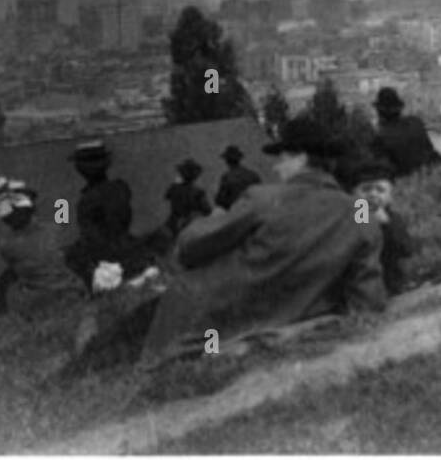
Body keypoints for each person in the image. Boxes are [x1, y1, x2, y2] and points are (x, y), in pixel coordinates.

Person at [144, 116, 386, 359]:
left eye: (281, 158)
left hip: (219, 321)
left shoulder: (263, 199)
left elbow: (190, 246)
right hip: (296, 317)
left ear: (300, 158)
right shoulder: (360, 212)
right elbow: (368, 300)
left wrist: (200, 225)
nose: (275, 167)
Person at [0, 176, 86, 317]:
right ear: (32, 209)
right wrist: (61, 202)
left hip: (38, 303)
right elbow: (61, 223)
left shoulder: (6, 246)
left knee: (9, 275)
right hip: (72, 294)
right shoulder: (53, 230)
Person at [65, 140, 135, 283]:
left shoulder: (87, 201)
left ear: (80, 168)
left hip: (106, 255)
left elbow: (92, 239)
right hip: (124, 243)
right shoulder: (121, 187)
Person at [349, 161, 414, 295]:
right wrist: (363, 218)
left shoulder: (393, 218)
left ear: (390, 197)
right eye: (365, 189)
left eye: (380, 190)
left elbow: (406, 249)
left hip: (389, 280)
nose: (373, 194)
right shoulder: (349, 219)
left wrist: (386, 224)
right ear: (353, 195)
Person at [371, 88, 438, 176]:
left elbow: (384, 169)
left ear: (380, 113)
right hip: (430, 174)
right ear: (399, 109)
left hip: (404, 182)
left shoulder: (381, 137)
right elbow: (430, 151)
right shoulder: (416, 122)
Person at [164, 159, 212, 236]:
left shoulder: (174, 188)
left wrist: (177, 183)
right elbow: (207, 210)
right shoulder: (198, 192)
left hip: (172, 223)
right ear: (195, 176)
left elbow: (167, 196)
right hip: (188, 225)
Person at [215, 145, 261, 210]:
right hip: (254, 208)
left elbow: (220, 200)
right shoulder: (253, 174)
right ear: (239, 159)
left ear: (227, 161)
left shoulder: (227, 177)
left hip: (238, 211)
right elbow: (261, 193)